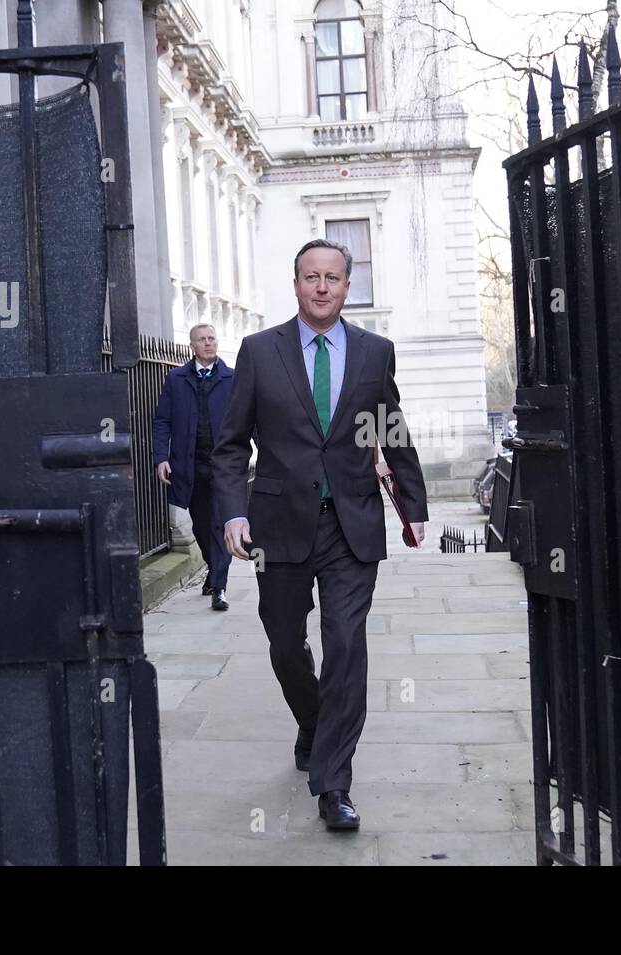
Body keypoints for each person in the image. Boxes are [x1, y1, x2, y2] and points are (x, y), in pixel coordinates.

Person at [212, 238, 428, 831]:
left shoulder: (373, 351)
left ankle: (333, 783)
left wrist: (413, 503)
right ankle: (312, 722)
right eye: (312, 276)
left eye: (333, 276)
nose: (322, 286)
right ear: (297, 283)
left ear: (347, 285)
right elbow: (230, 445)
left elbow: (391, 427)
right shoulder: (259, 352)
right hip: (277, 526)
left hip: (351, 525)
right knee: (286, 646)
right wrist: (234, 512)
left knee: (346, 646)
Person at [153, 323, 234, 611]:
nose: (209, 343)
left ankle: (220, 587)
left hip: (224, 466)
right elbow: (162, 420)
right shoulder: (176, 379)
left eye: (212, 338)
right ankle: (213, 571)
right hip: (190, 465)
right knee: (200, 525)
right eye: (202, 339)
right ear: (193, 346)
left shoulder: (232, 378)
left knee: (219, 523)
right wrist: (161, 457)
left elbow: (247, 418)